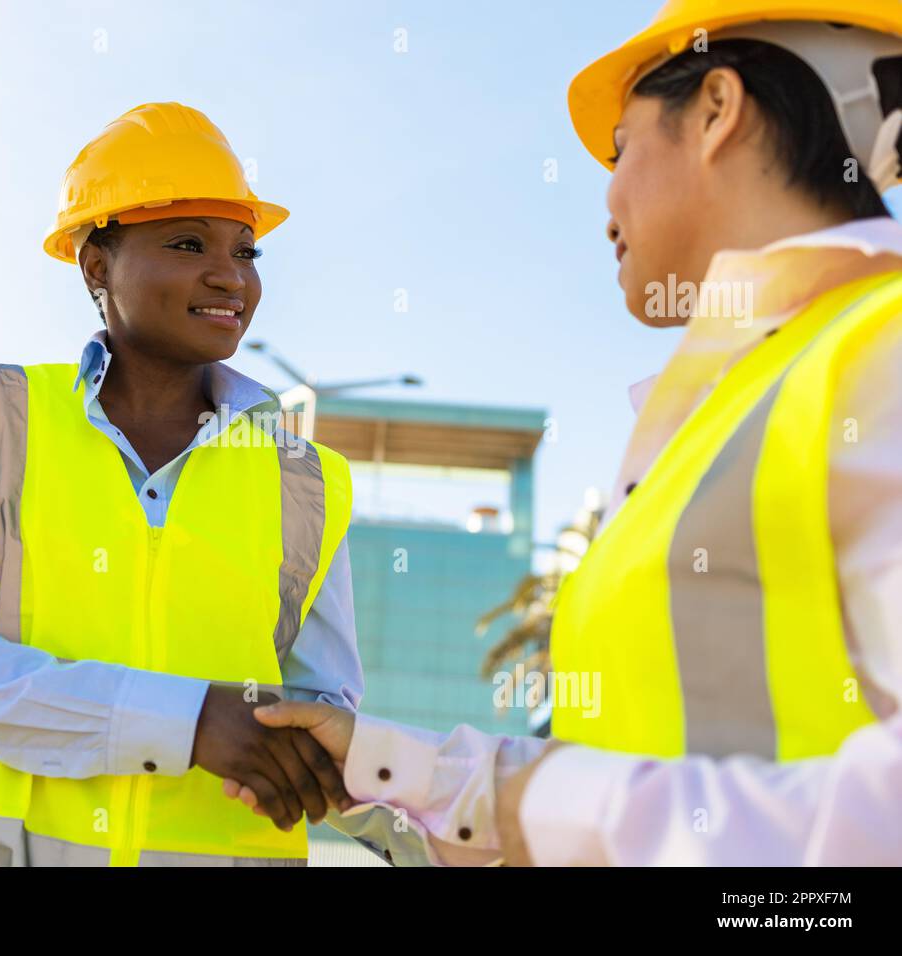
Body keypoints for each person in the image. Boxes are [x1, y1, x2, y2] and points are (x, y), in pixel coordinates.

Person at [223, 1, 902, 865]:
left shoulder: (880, 349)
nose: (607, 205)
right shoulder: (738, 402)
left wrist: (543, 804)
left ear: (717, 108)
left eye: (620, 151)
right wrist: (378, 762)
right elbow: (632, 768)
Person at [0, 101, 363, 866]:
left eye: (247, 251)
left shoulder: (306, 479)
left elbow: (325, 720)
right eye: (189, 243)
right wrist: (183, 721)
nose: (229, 275)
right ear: (97, 267)